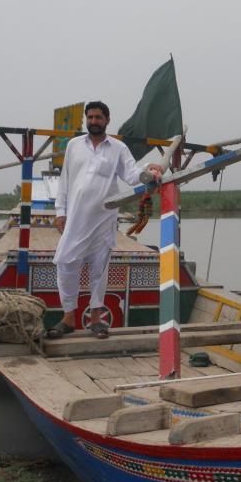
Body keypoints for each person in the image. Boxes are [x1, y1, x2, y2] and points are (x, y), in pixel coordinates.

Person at [48, 101, 163, 339]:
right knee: (65, 263)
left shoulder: (118, 148)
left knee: (99, 269)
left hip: (104, 217)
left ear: (107, 120)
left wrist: (148, 171)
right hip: (76, 219)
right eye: (90, 117)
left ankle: (97, 319)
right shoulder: (73, 145)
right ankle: (68, 318)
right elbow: (65, 180)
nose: (93, 121)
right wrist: (60, 212)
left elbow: (132, 175)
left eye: (98, 117)